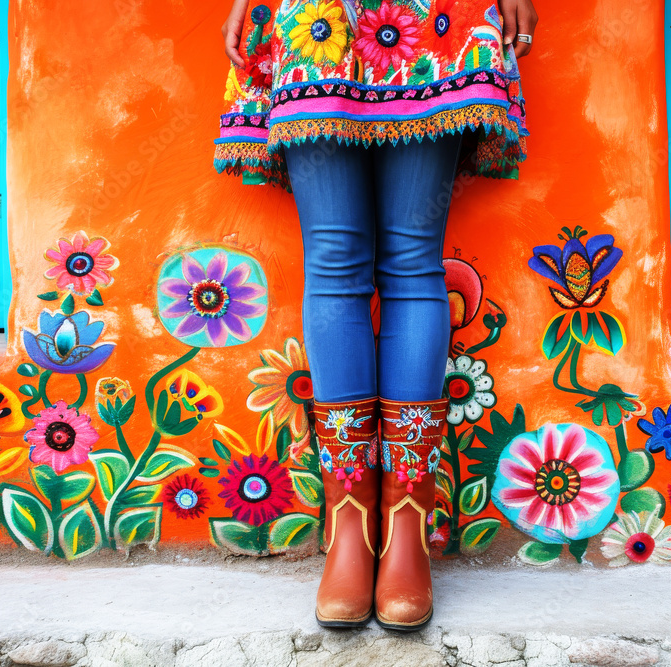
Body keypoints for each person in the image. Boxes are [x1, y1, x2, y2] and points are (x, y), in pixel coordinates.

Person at [217, 0, 535, 631]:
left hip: (435, 17)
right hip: (319, 19)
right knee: (333, 259)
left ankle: (407, 525)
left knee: (413, 259)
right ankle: (351, 528)